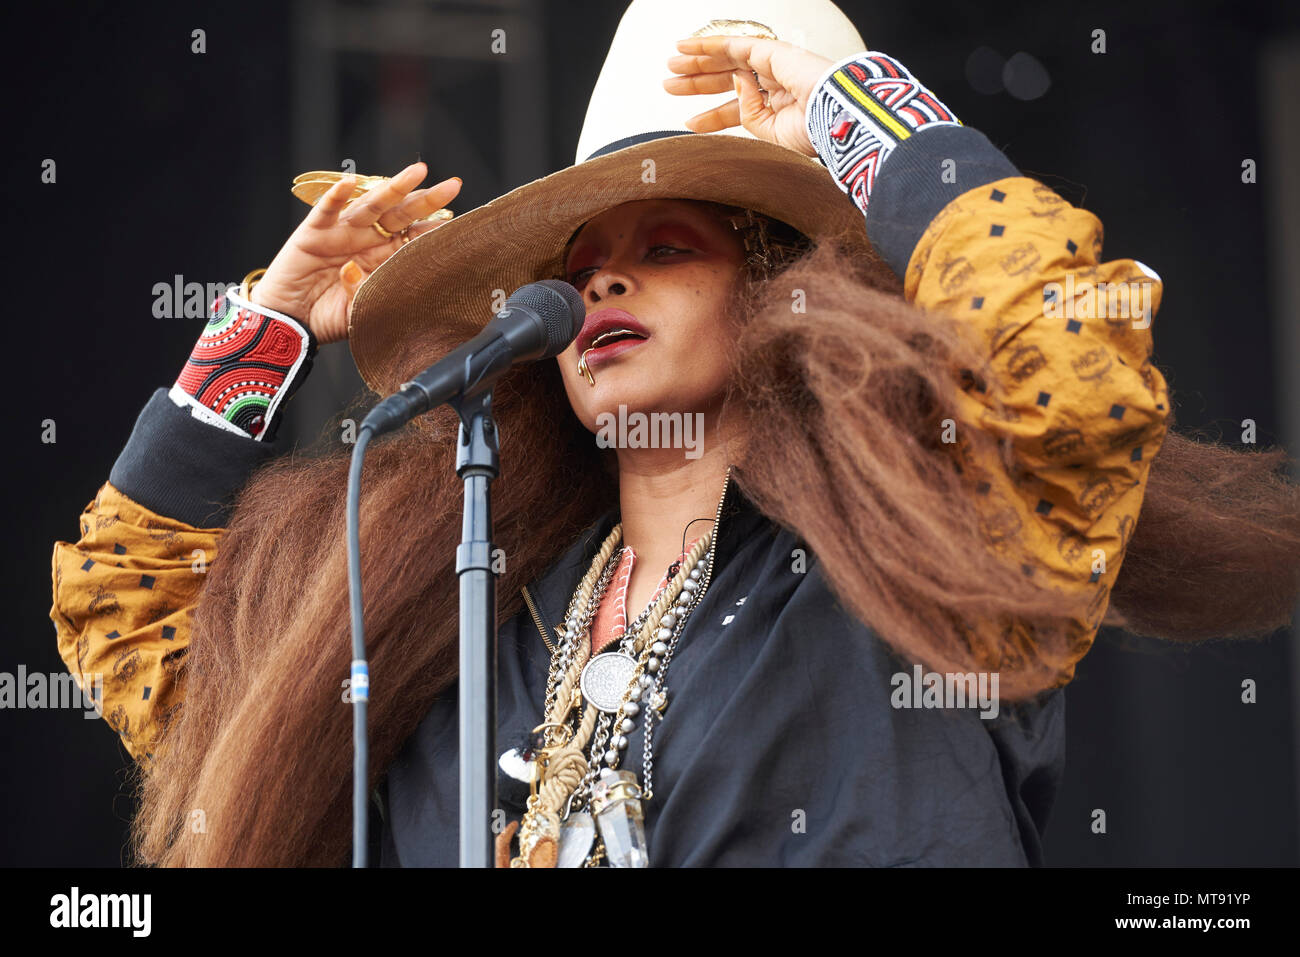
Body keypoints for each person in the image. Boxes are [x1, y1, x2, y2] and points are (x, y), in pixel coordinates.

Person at [51, 0, 1300, 867]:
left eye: (664, 249)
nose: (602, 286)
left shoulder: (917, 574)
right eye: (580, 266)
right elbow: (137, 626)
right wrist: (266, 323)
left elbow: (1069, 377)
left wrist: (861, 120)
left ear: (776, 292)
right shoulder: (460, 624)